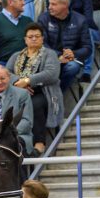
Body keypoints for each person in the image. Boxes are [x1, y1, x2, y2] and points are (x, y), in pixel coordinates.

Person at [7, 23, 63, 155]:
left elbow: (51, 73)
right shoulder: (16, 56)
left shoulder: (49, 54)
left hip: (43, 91)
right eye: (30, 36)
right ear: (25, 39)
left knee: (35, 104)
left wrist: (27, 81)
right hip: (19, 92)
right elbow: (7, 72)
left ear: (42, 39)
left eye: (37, 36)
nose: (33, 39)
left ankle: (39, 143)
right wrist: (18, 83)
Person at [37, 0, 91, 91]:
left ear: (65, 4)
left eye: (54, 4)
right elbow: (41, 44)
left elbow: (87, 48)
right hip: (49, 59)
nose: (49, 7)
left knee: (73, 67)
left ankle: (59, 92)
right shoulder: (43, 19)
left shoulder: (80, 20)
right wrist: (58, 56)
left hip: (70, 60)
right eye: (49, 3)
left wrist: (73, 53)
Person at [0, 65, 35, 154]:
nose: (0, 82)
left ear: (9, 78)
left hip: (16, 135)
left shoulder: (22, 94)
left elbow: (27, 121)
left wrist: (6, 133)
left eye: (3, 78)